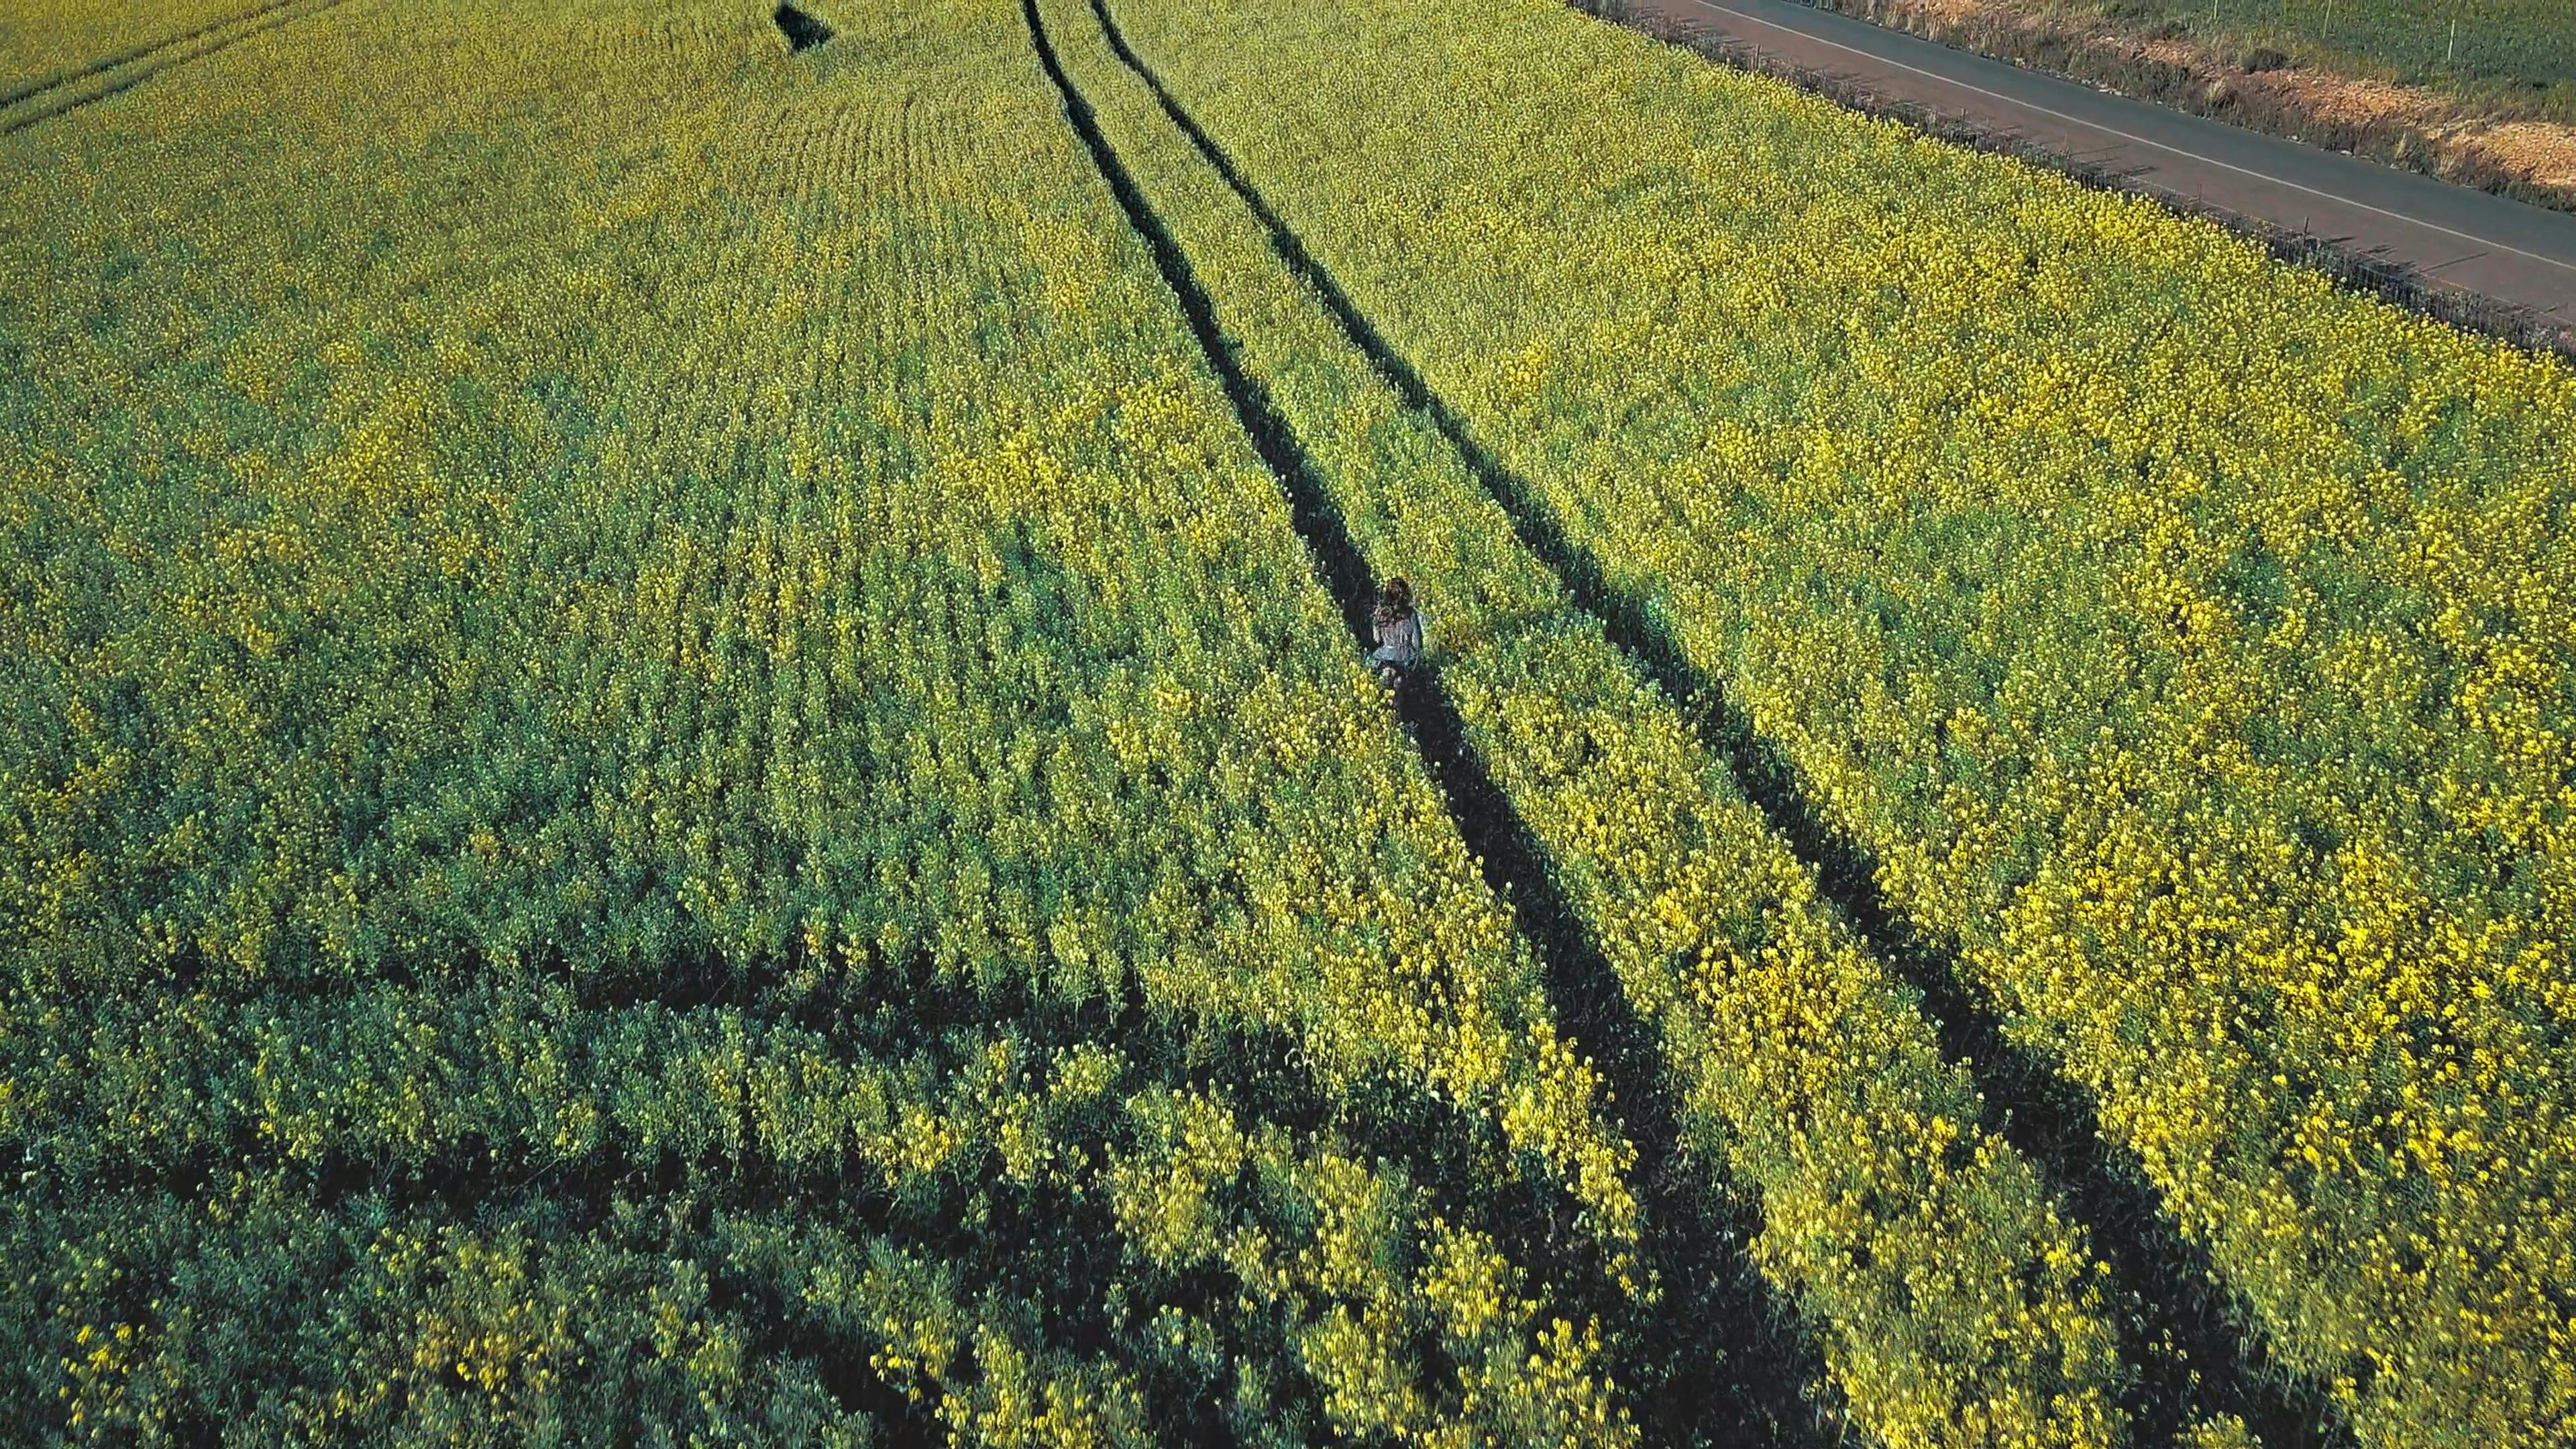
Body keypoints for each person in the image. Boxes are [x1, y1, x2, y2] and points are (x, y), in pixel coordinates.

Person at [1369, 577, 1424, 688]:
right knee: (1401, 680)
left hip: (1385, 656)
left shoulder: (1380, 613)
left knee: (1384, 675)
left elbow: (1377, 639)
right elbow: (1417, 643)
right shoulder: (1410, 614)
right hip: (1405, 659)